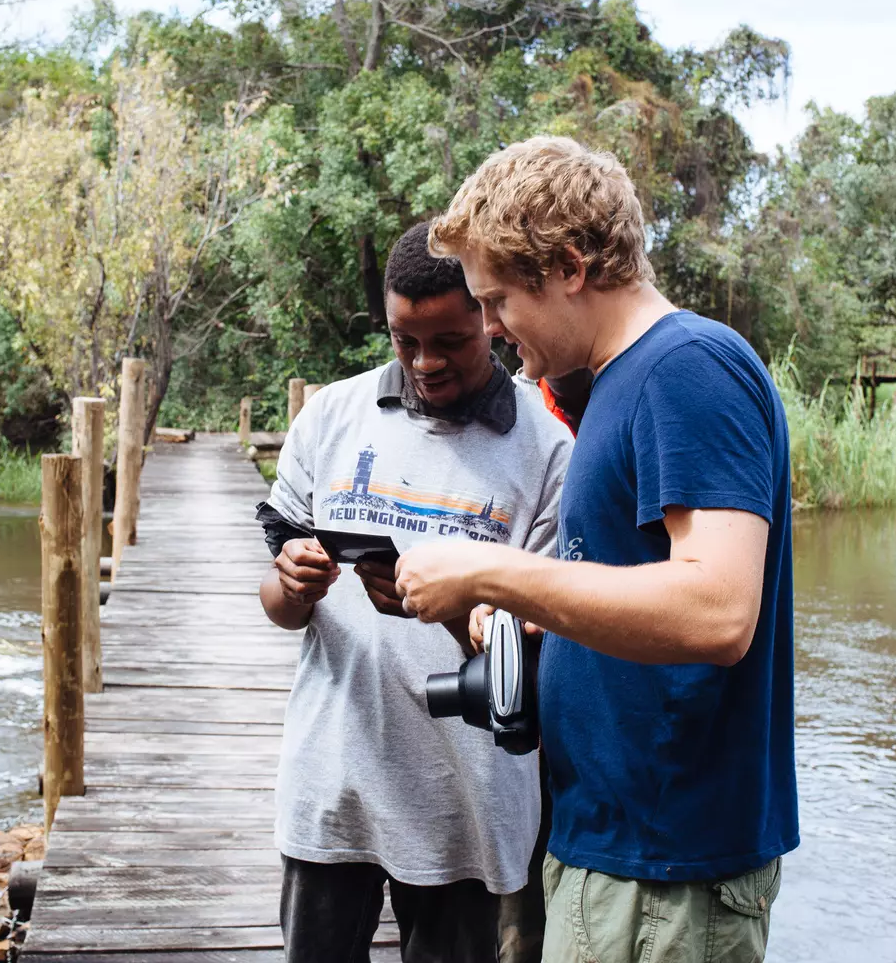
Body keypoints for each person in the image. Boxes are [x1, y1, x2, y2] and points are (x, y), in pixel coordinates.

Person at [394, 136, 798, 962]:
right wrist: (540, 612)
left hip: (666, 871)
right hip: (615, 847)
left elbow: (719, 610)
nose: (495, 329)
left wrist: (491, 571)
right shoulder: (619, 384)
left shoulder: (688, 369)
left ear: (571, 267)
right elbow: (643, 587)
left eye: (500, 300)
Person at [255, 221, 573, 963]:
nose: (425, 363)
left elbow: (544, 660)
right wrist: (292, 585)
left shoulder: (549, 450)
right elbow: (276, 608)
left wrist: (458, 608)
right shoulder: (330, 416)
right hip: (332, 789)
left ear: (490, 322)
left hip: (471, 804)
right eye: (405, 341)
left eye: (451, 342)